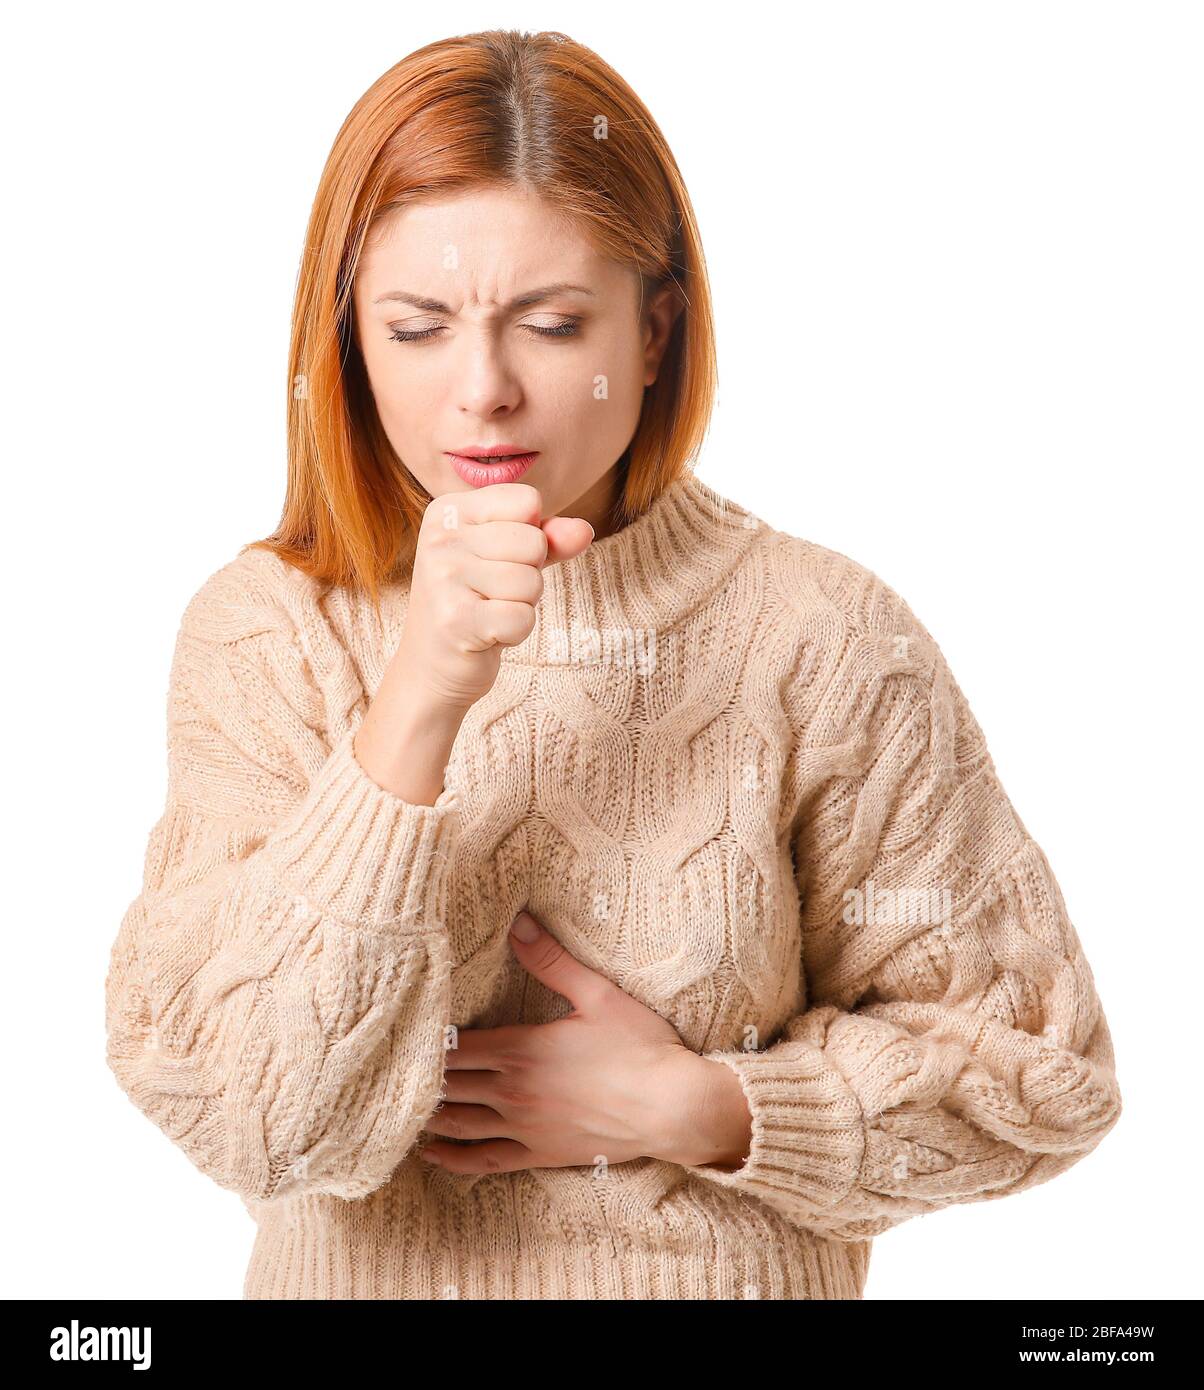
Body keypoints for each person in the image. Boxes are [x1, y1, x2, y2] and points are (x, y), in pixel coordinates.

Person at [103, 28, 1122, 1301]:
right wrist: (415, 706)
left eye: (550, 323)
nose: (481, 391)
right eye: (416, 327)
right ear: (347, 341)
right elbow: (256, 1122)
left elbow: (1040, 1073)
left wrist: (705, 1108)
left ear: (654, 333)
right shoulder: (267, 633)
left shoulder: (821, 637)